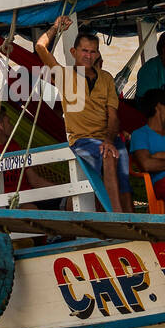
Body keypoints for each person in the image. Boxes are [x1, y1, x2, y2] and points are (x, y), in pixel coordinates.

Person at [35, 15, 133, 212]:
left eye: (93, 52)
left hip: (108, 137)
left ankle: (132, 219)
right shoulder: (63, 75)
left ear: (98, 54)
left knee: (123, 171)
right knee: (108, 156)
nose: (88, 56)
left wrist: (108, 139)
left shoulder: (106, 78)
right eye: (84, 51)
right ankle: (118, 218)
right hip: (81, 140)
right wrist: (55, 27)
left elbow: (113, 116)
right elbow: (40, 47)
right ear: (74, 52)